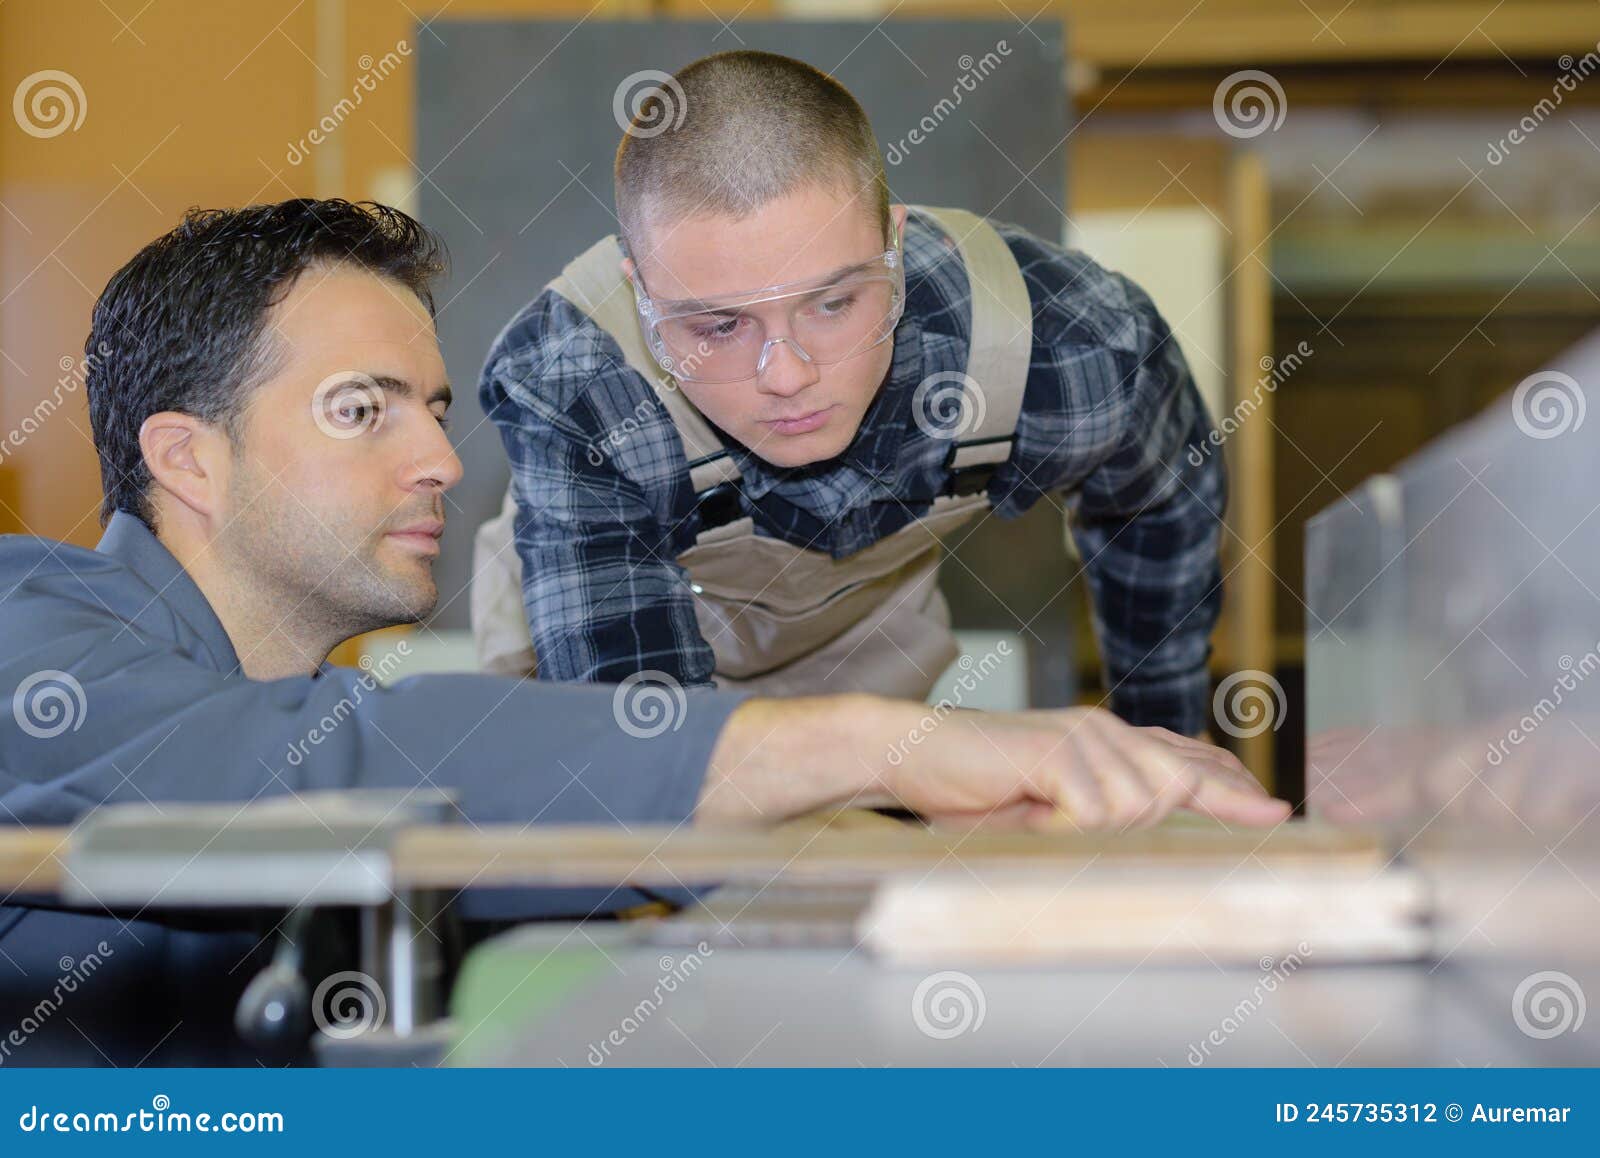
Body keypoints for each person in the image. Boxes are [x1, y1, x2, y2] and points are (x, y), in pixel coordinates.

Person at [0, 198, 1284, 1064]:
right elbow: (286, 764)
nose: (445, 459)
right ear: (188, 459)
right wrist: (871, 742)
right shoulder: (24, 621)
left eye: (436, 408)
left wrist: (962, 840)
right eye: (364, 409)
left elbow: (545, 826)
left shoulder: (353, 736)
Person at [475, 50, 1225, 746]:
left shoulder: (1069, 341)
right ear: (642, 292)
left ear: (892, 248)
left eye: (833, 303)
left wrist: (1161, 738)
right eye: (720, 324)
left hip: (874, 663)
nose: (787, 374)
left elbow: (1162, 502)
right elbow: (644, 768)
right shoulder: (580, 386)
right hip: (606, 670)